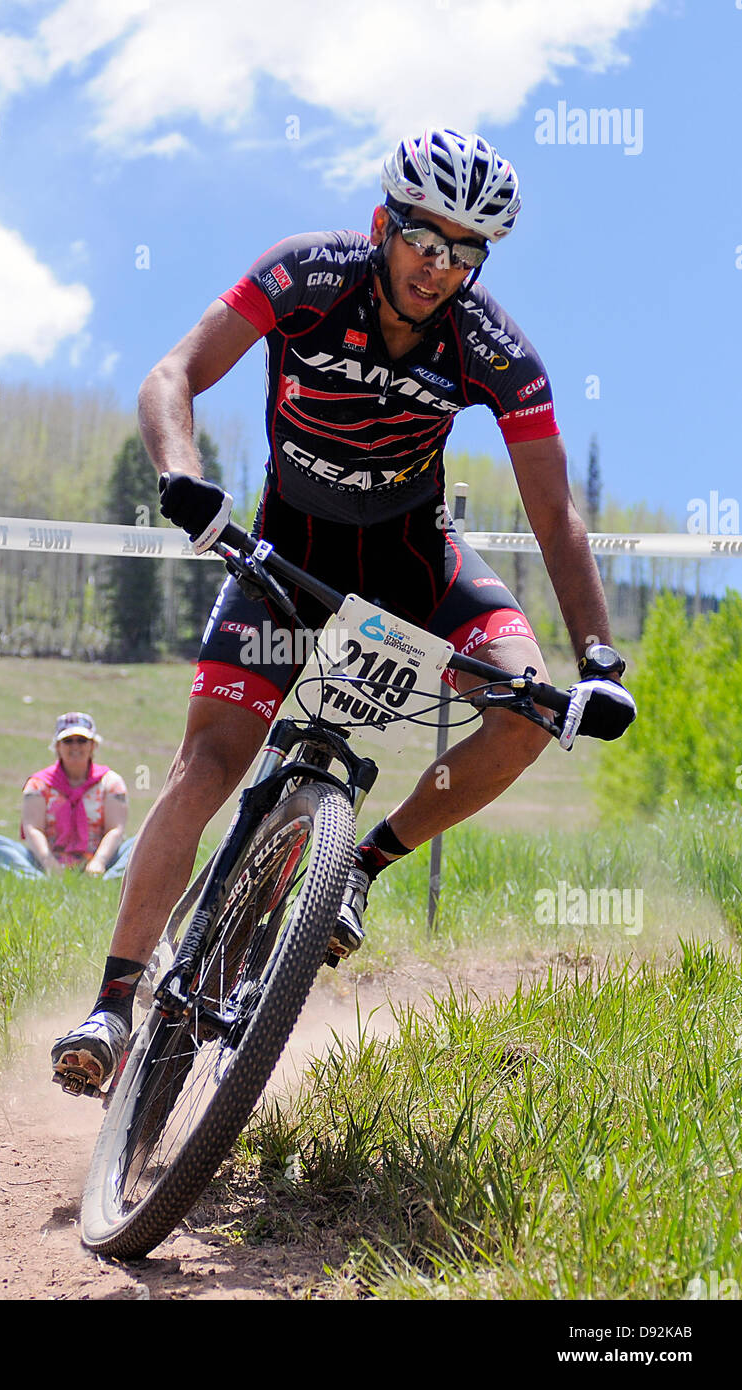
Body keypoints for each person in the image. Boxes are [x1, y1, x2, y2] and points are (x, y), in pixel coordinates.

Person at [52, 127, 636, 1089]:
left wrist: (600, 661)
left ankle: (356, 867)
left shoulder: (491, 345)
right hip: (287, 556)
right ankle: (112, 1005)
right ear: (383, 223)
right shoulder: (305, 277)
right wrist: (184, 479)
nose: (438, 267)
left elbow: (555, 510)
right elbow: (172, 375)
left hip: (414, 565)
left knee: (530, 708)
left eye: (464, 253)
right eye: (423, 240)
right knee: (207, 765)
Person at [0, 712, 134, 879]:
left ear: (93, 745)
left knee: (140, 844)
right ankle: (39, 882)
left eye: (82, 740)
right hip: (45, 862)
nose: (75, 746)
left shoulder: (111, 782)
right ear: (57, 747)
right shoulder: (38, 783)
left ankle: (108, 881)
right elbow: (33, 828)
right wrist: (49, 863)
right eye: (68, 741)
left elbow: (115, 829)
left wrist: (99, 862)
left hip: (101, 863)